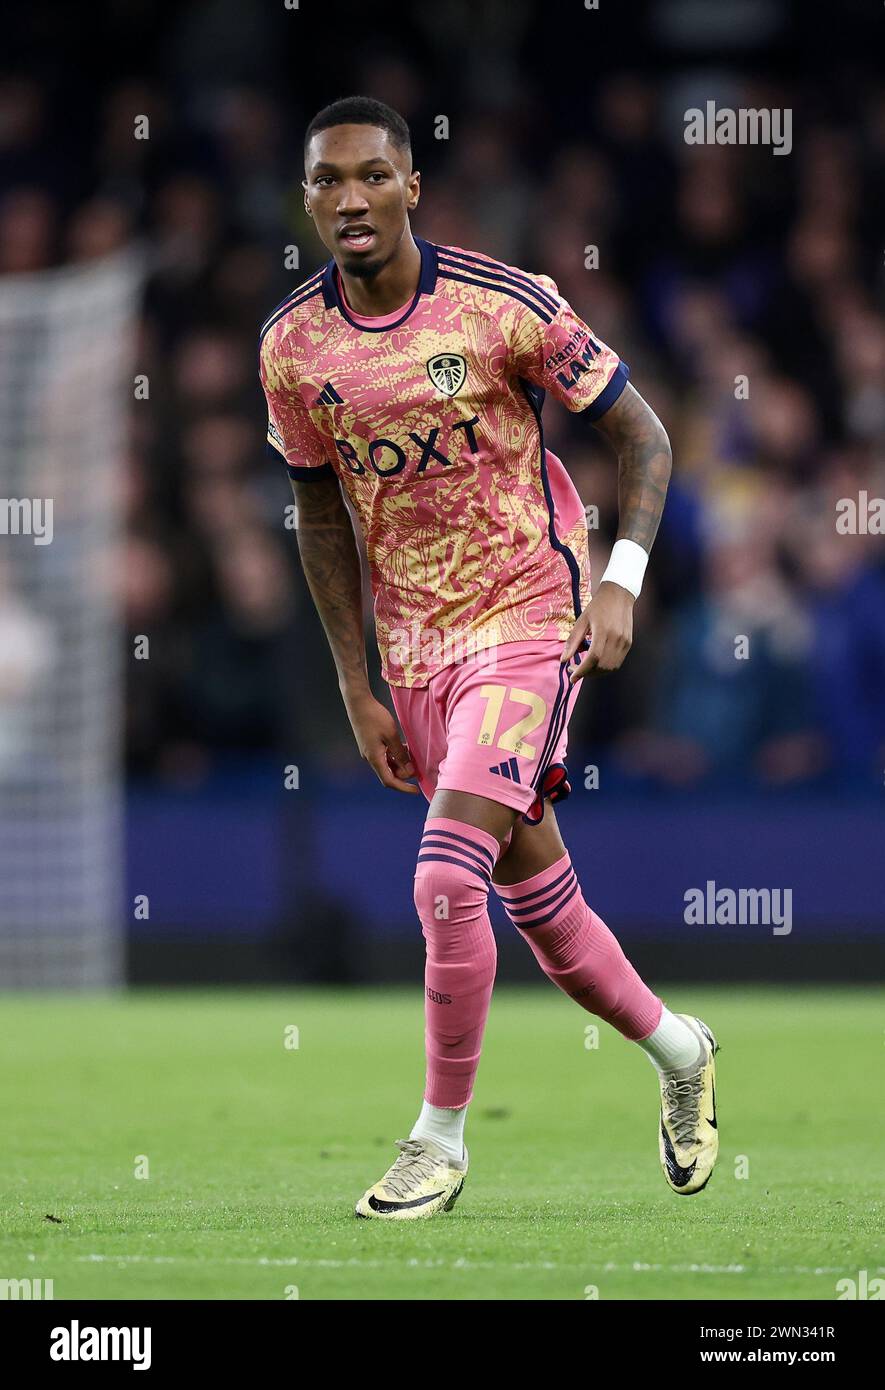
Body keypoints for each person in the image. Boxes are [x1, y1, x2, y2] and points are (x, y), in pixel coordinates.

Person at [259, 96, 719, 1219]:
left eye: (373, 175)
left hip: (527, 616)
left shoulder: (501, 305)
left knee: (439, 879)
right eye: (328, 181)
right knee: (540, 910)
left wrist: (620, 583)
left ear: (412, 186)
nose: (351, 199)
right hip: (414, 651)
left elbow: (644, 433)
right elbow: (319, 513)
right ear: (308, 198)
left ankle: (439, 1141)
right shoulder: (292, 348)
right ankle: (682, 1052)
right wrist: (353, 678)